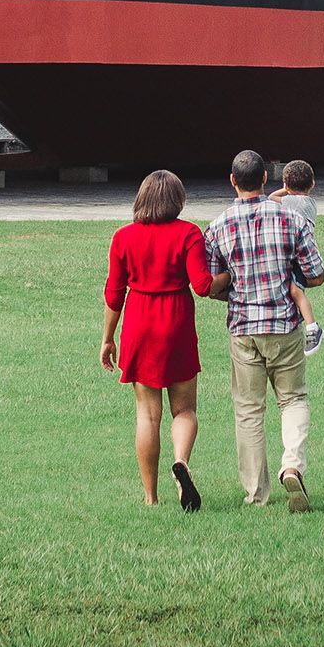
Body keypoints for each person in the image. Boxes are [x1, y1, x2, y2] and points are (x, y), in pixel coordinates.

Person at [203, 149, 324, 511]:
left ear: (232, 181)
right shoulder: (291, 219)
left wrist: (237, 292)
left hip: (243, 327)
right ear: (265, 180)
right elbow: (316, 274)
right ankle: (293, 464)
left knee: (248, 411)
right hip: (285, 324)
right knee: (292, 399)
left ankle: (257, 494)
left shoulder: (218, 226)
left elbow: (210, 284)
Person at [102, 170, 225, 510]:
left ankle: (151, 498)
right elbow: (202, 286)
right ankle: (181, 463)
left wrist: (108, 339)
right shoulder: (188, 233)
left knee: (147, 415)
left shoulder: (123, 237)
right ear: (178, 200)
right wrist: (229, 274)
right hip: (177, 324)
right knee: (184, 409)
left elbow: (114, 294)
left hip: (139, 323)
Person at [271, 159, 324, 355]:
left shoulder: (293, 201)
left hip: (299, 257)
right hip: (304, 253)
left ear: (286, 185)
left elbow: (270, 197)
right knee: (293, 289)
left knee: (295, 291)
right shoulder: (309, 202)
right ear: (312, 184)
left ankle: (313, 329)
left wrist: (285, 189)